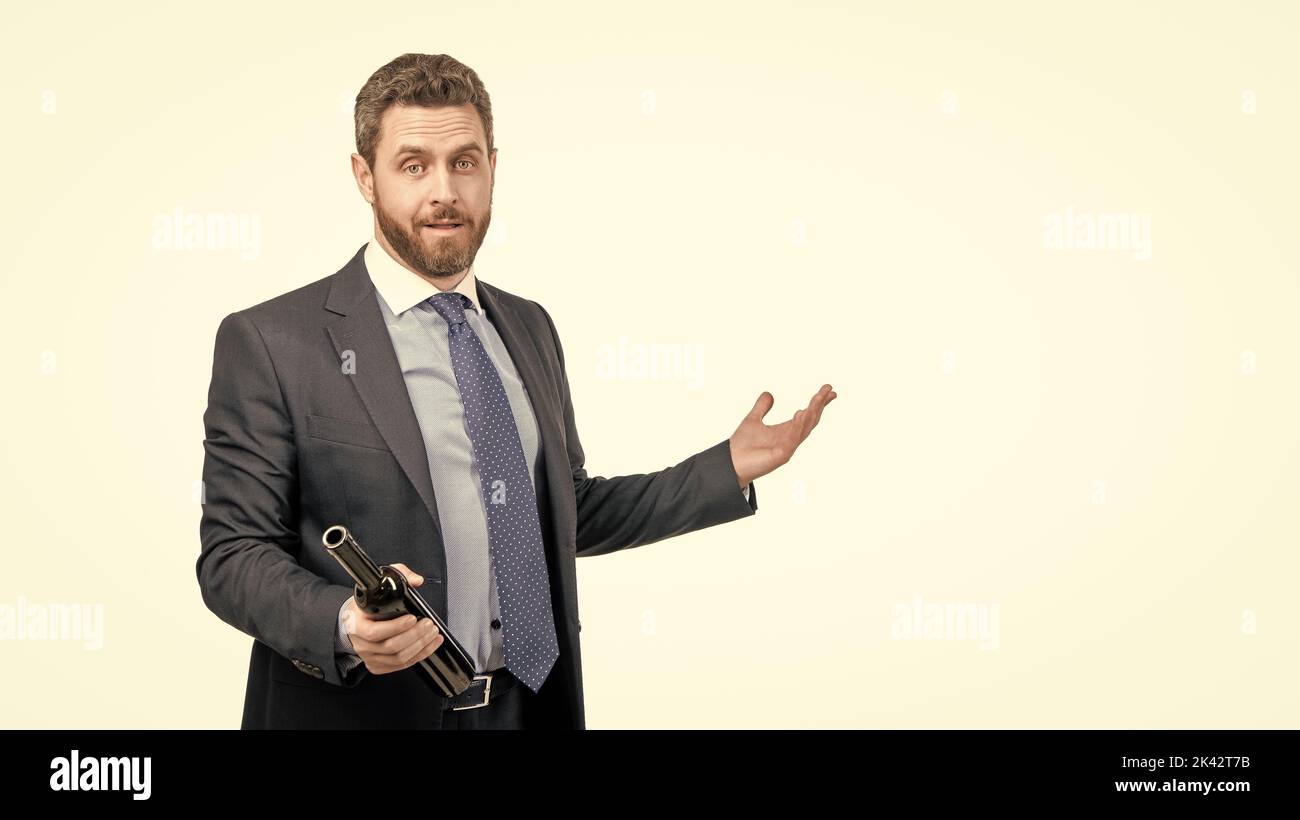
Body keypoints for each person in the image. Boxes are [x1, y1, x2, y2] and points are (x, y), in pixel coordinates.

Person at [196, 52, 836, 729]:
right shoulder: (273, 342)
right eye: (413, 165)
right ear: (365, 176)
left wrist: (725, 468)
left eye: (464, 163)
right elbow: (233, 556)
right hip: (364, 716)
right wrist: (345, 621)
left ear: (492, 169)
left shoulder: (528, 326)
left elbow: (566, 511)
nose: (444, 191)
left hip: (526, 708)